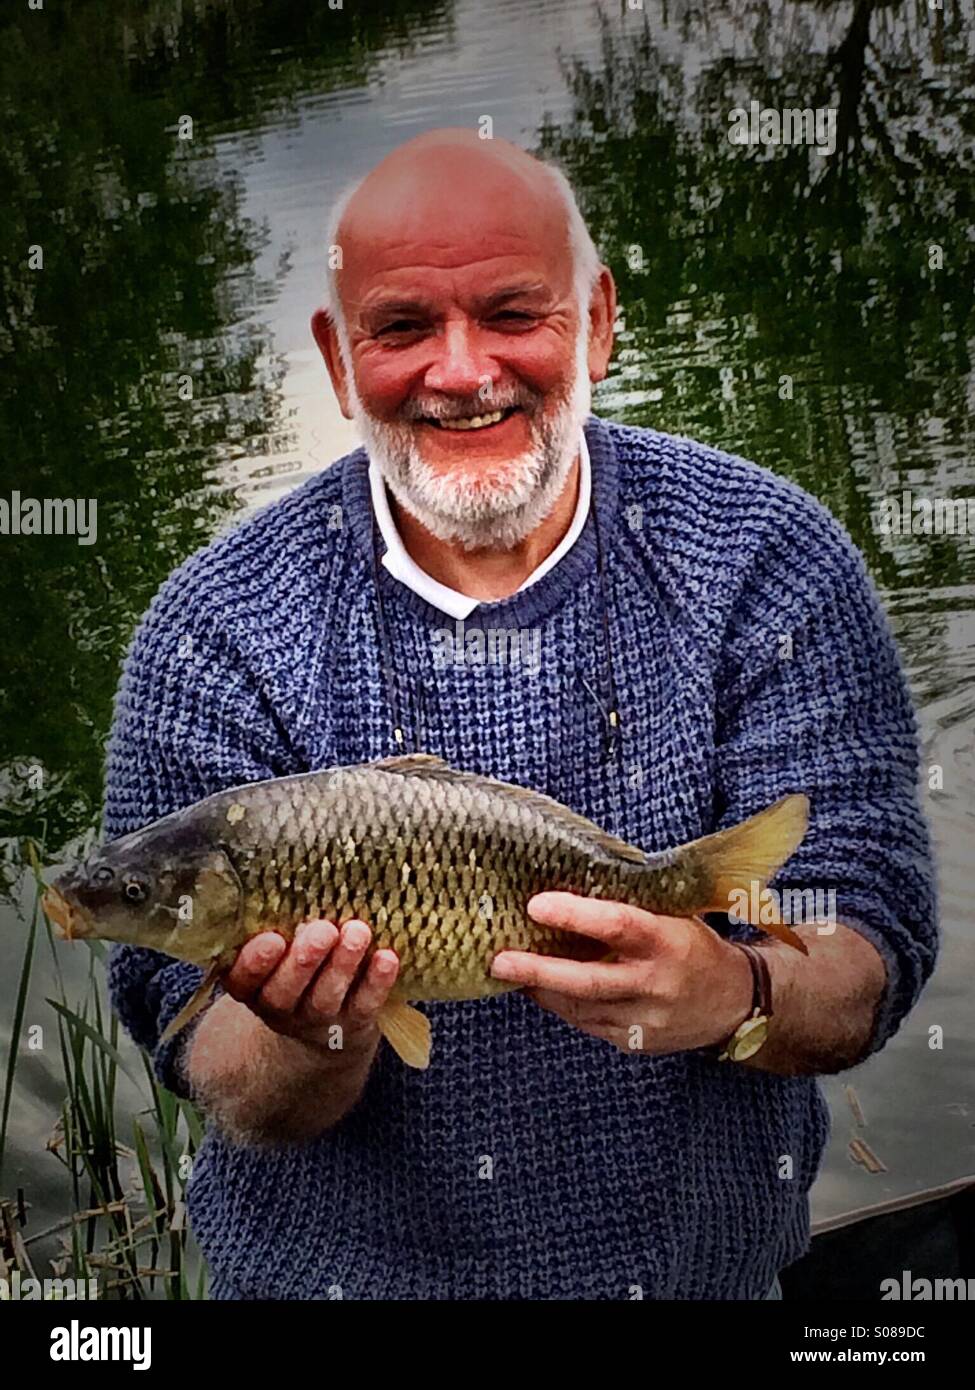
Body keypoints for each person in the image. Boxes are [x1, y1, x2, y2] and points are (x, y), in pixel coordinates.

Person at [105, 128, 937, 1300]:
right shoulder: (214, 627)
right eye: (403, 328)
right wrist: (313, 1033)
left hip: (702, 1278)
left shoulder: (766, 558)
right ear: (339, 362)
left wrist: (734, 992)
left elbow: (857, 935)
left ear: (596, 321)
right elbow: (203, 1056)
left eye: (513, 312)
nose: (461, 370)